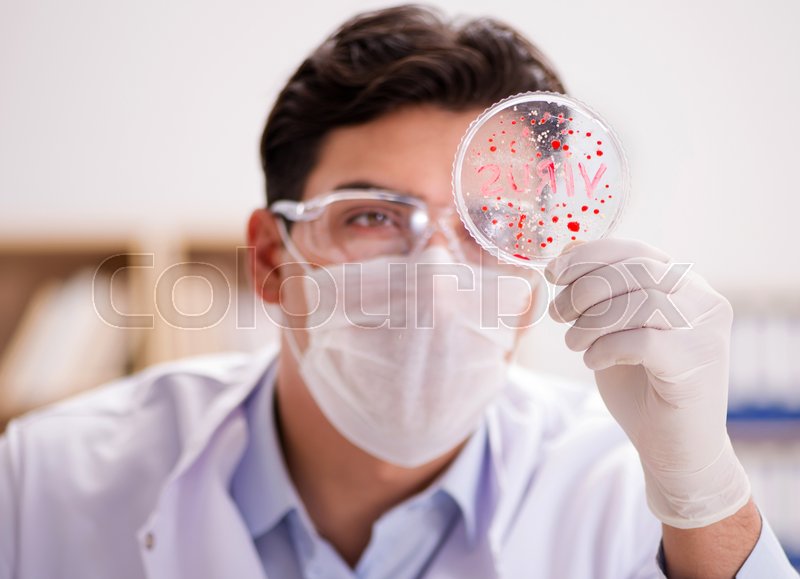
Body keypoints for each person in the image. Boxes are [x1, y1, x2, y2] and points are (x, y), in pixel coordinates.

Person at [0, 5, 796, 579]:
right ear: (272, 260)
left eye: (491, 221)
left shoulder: (622, 485)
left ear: (531, 281)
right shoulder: (46, 482)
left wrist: (705, 495)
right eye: (375, 216)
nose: (436, 272)